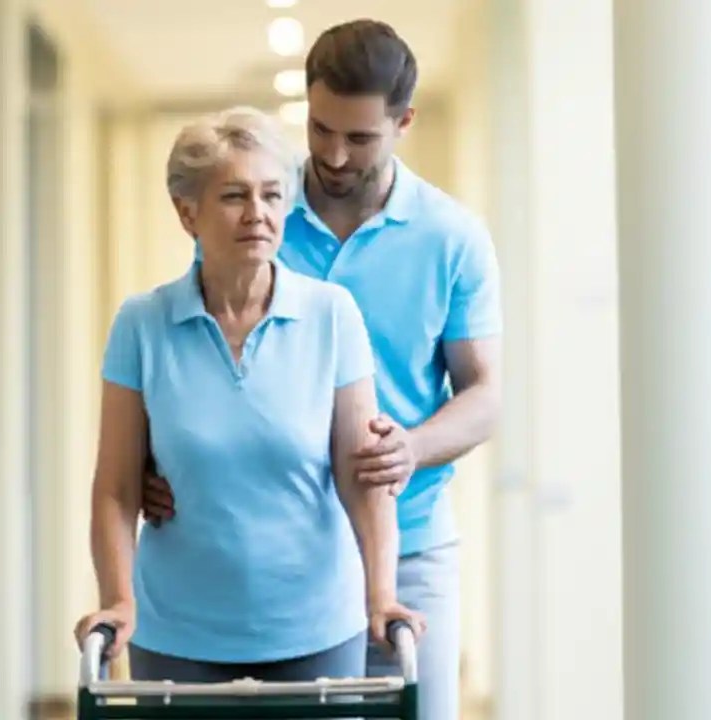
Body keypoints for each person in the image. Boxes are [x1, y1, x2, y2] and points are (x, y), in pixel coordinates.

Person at [143, 19, 503, 720]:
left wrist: (411, 448)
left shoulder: (452, 238)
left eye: (360, 138)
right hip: (285, 563)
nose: (334, 156)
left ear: (404, 122)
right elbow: (202, 354)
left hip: (410, 542)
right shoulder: (259, 206)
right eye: (321, 129)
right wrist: (163, 463)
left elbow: (486, 393)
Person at [72, 107, 423, 691]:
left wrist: (381, 594)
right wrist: (117, 599)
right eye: (235, 196)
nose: (258, 214)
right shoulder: (142, 324)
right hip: (178, 632)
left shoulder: (332, 314)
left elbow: (361, 477)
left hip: (314, 626)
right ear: (188, 213)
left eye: (272, 195)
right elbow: (116, 487)